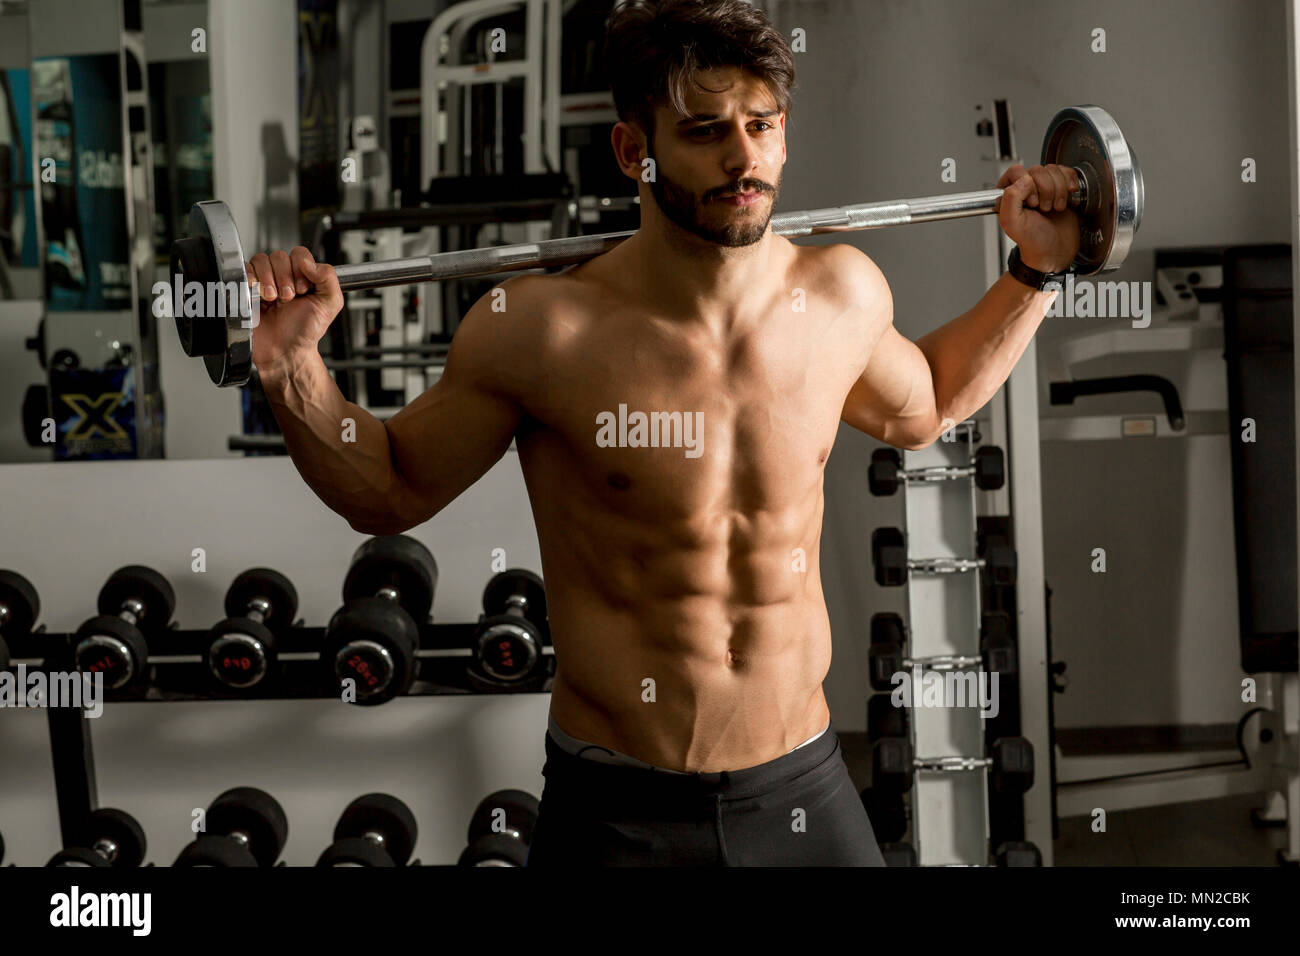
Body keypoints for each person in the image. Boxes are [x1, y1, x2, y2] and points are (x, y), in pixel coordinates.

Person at [247, 0, 1079, 866]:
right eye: (704, 130)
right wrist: (290, 369)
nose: (743, 155)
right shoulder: (539, 331)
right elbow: (387, 489)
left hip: (803, 786)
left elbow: (932, 403)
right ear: (631, 151)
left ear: (785, 135)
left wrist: (1035, 271)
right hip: (616, 809)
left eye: (761, 126)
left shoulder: (840, 296)